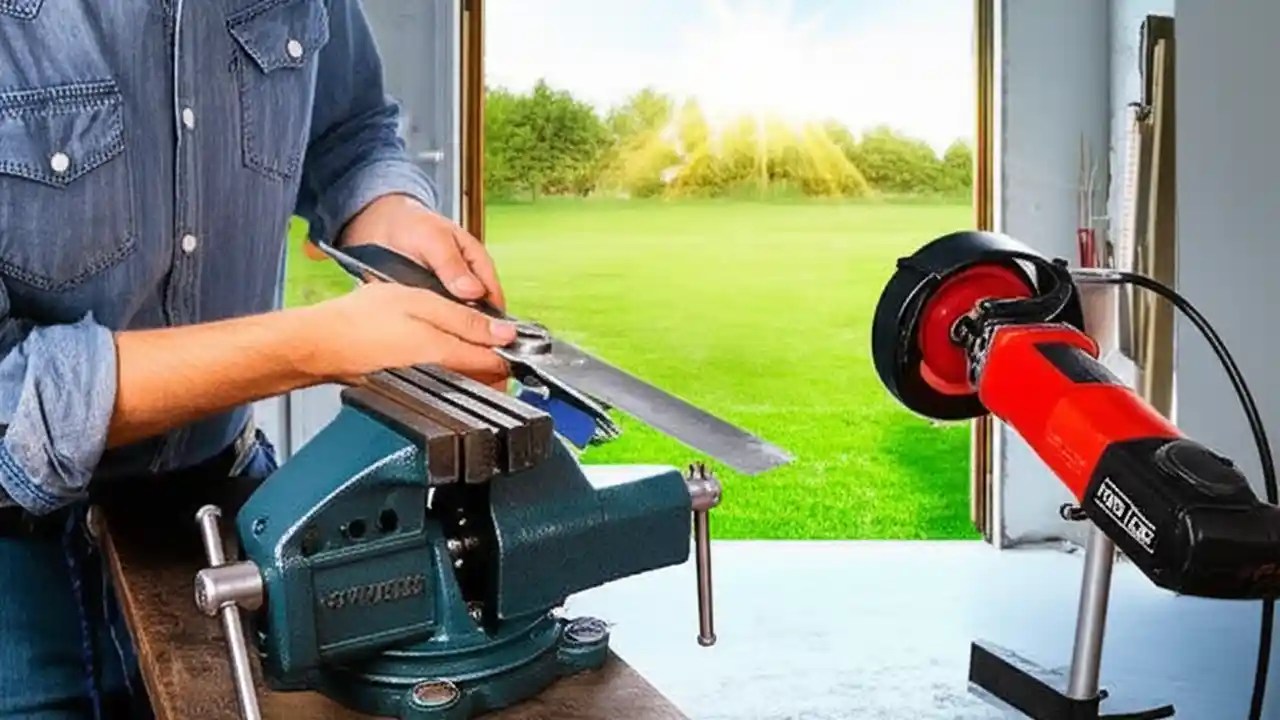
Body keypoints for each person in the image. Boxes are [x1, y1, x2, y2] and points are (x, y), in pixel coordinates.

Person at [0, 1, 512, 717]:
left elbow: (351, 134)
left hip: (234, 503)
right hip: (18, 576)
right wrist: (317, 345)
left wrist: (393, 217)